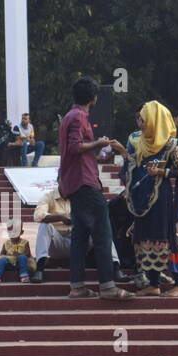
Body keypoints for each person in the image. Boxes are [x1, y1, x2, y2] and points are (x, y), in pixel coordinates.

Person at [57, 76, 133, 300]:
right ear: (93, 98)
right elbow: (75, 147)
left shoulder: (70, 117)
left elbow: (79, 150)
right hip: (85, 182)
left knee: (80, 235)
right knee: (102, 232)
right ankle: (108, 286)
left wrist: (99, 152)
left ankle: (77, 285)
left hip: (74, 181)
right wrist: (99, 144)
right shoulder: (79, 117)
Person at [123, 101, 178, 297]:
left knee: (166, 238)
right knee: (145, 237)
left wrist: (161, 171)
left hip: (160, 199)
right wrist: (123, 154)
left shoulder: (171, 143)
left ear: (155, 120)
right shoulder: (140, 142)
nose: (142, 124)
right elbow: (131, 167)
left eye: (144, 120)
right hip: (141, 200)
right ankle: (153, 284)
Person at [31, 185, 119, 283]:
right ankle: (39, 269)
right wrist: (61, 218)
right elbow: (38, 215)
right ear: (61, 181)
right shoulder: (48, 197)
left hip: (80, 242)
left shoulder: (82, 197)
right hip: (57, 243)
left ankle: (116, 268)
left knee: (101, 229)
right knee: (44, 226)